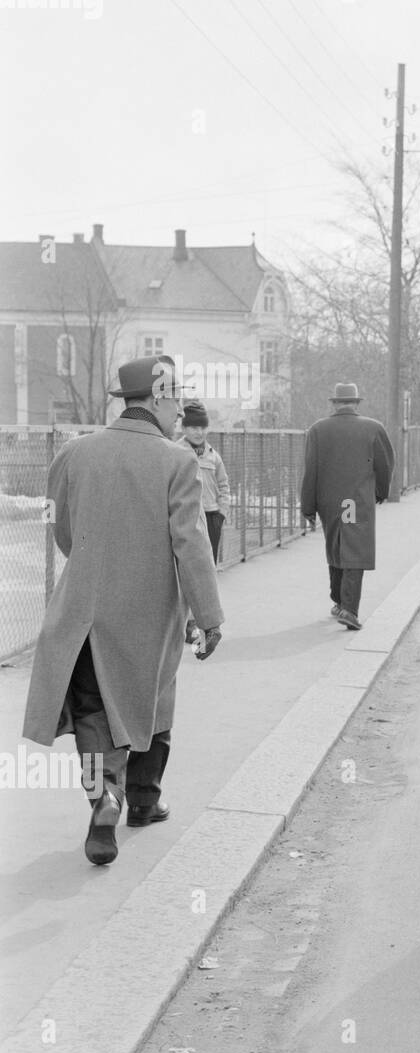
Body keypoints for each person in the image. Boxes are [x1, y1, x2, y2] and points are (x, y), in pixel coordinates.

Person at [22, 356, 224, 866]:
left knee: (94, 714)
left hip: (82, 609)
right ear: (156, 398)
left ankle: (103, 799)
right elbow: (191, 545)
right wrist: (209, 614)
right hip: (151, 610)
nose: (180, 408)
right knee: (154, 700)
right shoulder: (178, 461)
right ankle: (143, 801)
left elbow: (63, 528)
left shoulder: (74, 453)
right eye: (175, 397)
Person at [300, 383, 394, 631]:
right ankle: (349, 609)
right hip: (356, 500)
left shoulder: (317, 430)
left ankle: (338, 600)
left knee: (335, 546)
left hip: (328, 501)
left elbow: (310, 471)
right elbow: (384, 466)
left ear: (334, 403)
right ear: (357, 403)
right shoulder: (374, 428)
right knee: (354, 550)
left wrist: (308, 506)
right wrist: (381, 492)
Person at [179, 400, 231, 643]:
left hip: (211, 518)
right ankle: (188, 624)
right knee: (189, 572)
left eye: (202, 427)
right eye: (193, 427)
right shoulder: (177, 452)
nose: (198, 432)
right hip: (188, 519)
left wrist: (221, 512)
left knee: (207, 572)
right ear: (184, 428)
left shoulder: (213, 456)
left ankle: (206, 622)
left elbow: (224, 485)